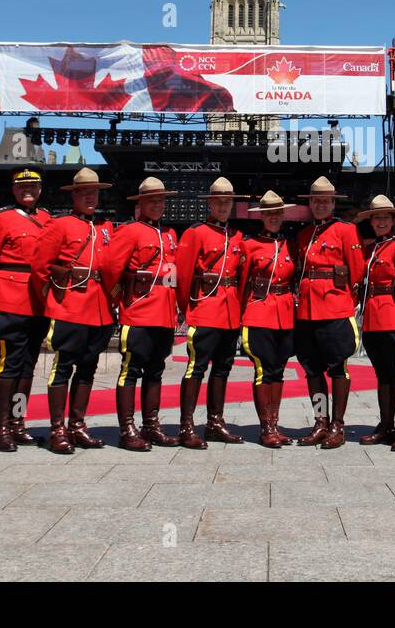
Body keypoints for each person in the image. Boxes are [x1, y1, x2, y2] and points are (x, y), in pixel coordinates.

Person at [30, 167, 115, 454]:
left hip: (99, 306)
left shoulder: (106, 227)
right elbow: (40, 268)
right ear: (75, 195)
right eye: (85, 193)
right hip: (70, 305)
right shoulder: (60, 225)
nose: (90, 197)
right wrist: (52, 301)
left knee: (88, 367)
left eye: (94, 192)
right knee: (63, 366)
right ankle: (57, 429)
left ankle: (77, 426)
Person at [0, 168, 53, 452]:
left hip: (37, 302)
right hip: (9, 296)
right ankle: (1, 427)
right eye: (22, 186)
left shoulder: (47, 220)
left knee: (28, 365)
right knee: (10, 364)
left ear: (40, 189)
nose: (27, 190)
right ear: (13, 189)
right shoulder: (2, 219)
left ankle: (18, 422)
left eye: (33, 185)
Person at [103, 177, 182, 451]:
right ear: (140, 203)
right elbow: (112, 267)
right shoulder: (130, 231)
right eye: (152, 200)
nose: (157, 205)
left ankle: (151, 425)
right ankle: (127, 429)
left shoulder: (170, 234)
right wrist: (119, 298)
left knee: (156, 371)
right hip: (138, 309)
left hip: (164, 311)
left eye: (161, 200)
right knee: (131, 370)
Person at [175, 177, 249, 448]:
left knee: (222, 369)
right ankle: (186, 426)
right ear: (210, 203)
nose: (223, 205)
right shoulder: (195, 233)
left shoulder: (236, 236)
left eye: (227, 201)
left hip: (229, 311)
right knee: (196, 368)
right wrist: (186, 308)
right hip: (205, 308)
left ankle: (215, 423)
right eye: (218, 201)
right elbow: (183, 275)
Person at [293, 176, 366, 448]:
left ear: (333, 203)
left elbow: (356, 271)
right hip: (308, 311)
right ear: (310, 203)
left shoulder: (346, 231)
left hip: (335, 307)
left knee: (338, 368)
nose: (321, 204)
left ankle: (338, 425)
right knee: (312, 370)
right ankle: (320, 421)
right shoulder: (303, 234)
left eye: (326, 200)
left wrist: (346, 301)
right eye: (316, 200)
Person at [355, 195, 395, 451]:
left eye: (385, 217)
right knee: (382, 375)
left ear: (393, 220)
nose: (380, 221)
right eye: (376, 217)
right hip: (372, 319)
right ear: (371, 221)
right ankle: (386, 425)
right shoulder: (371, 250)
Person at [239, 191, 298, 447]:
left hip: (284, 312)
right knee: (263, 370)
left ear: (283, 215)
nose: (273, 217)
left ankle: (275, 423)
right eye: (269, 213)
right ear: (261, 216)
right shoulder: (249, 245)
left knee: (278, 370)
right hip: (258, 311)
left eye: (277, 212)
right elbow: (242, 284)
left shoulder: (290, 245)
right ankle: (266, 428)